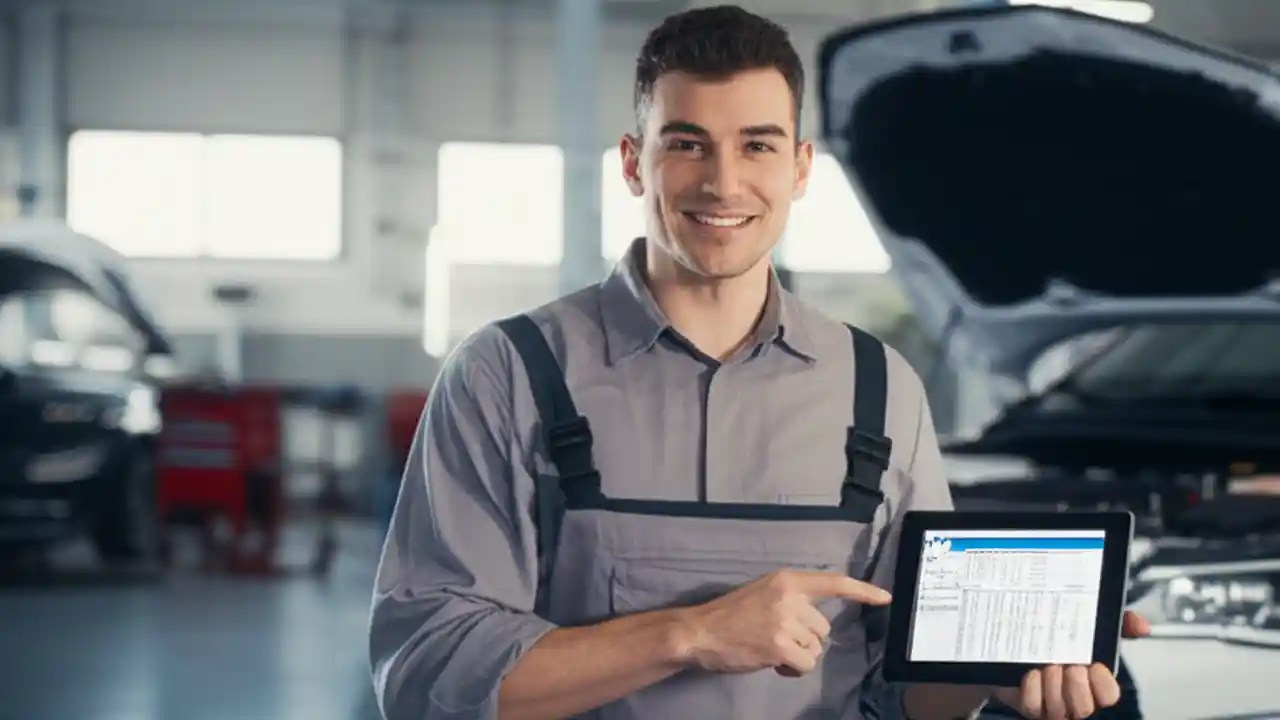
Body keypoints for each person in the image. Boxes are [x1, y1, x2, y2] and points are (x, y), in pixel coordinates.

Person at [369, 5, 1149, 719]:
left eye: (758, 145)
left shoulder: (877, 391)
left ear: (801, 167)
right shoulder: (509, 375)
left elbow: (905, 694)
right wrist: (693, 634)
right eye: (687, 143)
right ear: (635, 162)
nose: (723, 182)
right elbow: (428, 670)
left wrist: (994, 670)